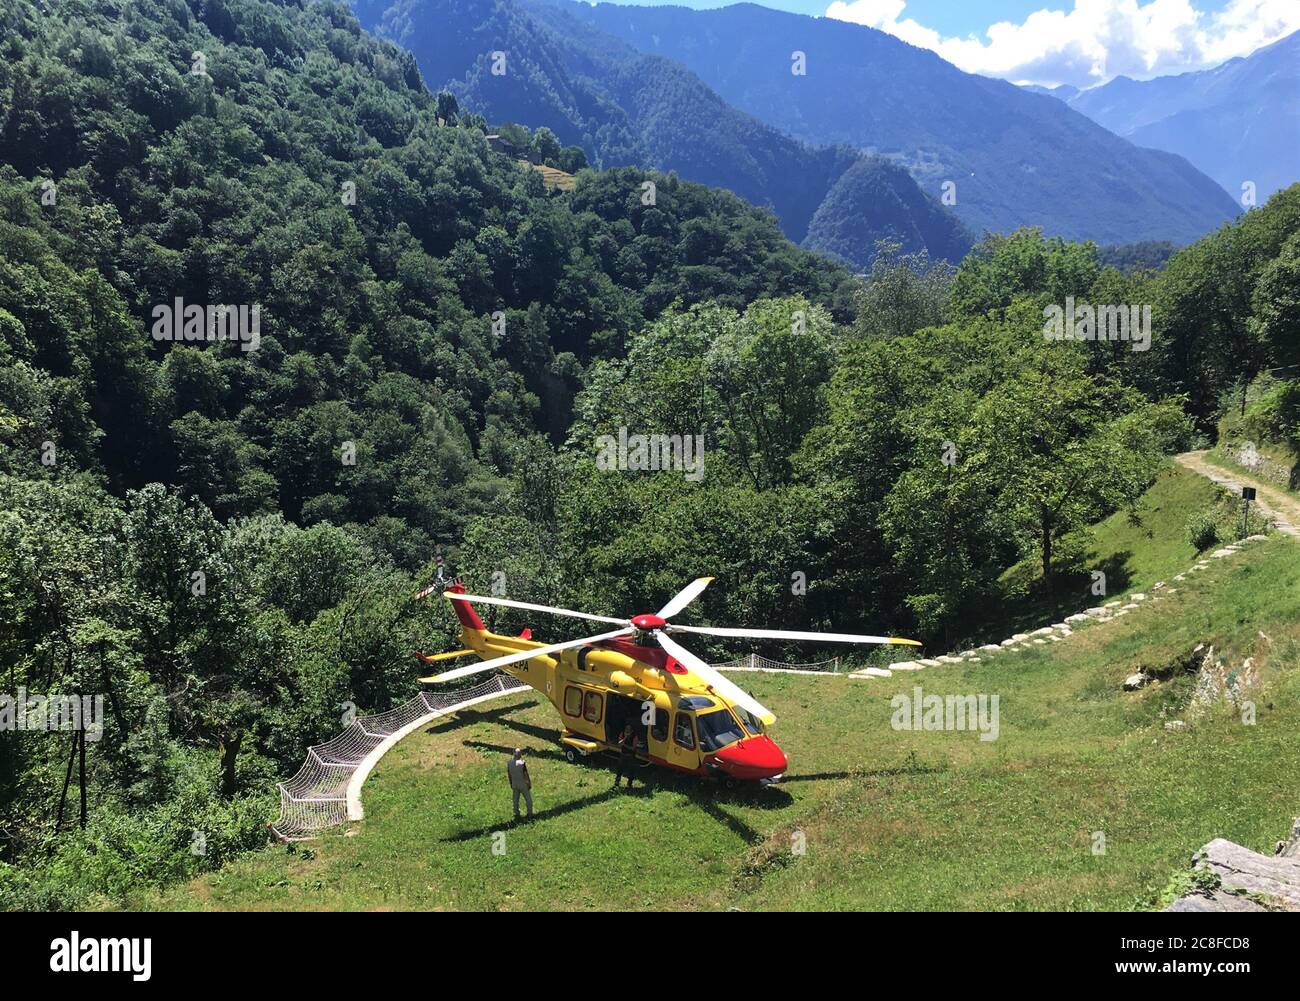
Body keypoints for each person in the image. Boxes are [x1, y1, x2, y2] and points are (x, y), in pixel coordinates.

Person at [507, 747, 533, 820]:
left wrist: (511, 784)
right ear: (518, 754)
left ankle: (516, 813)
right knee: (528, 799)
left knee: (515, 800)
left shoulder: (509, 763)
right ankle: (529, 813)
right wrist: (528, 783)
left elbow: (509, 775)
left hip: (514, 783)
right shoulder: (522, 763)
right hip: (522, 783)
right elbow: (525, 774)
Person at [614, 723, 642, 790]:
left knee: (631, 770)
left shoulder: (635, 736)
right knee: (619, 769)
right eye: (626, 729)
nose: (627, 731)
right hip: (623, 754)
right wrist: (625, 738)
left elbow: (633, 748)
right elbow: (619, 744)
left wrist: (625, 745)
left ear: (632, 731)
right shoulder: (622, 734)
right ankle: (617, 782)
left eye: (629, 729)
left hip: (631, 756)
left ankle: (629, 784)